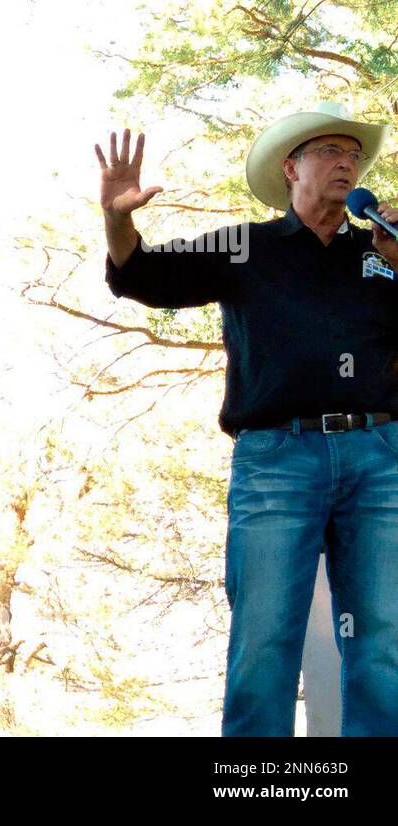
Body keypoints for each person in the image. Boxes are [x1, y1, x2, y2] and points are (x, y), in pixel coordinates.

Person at [95, 101, 398, 735]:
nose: (347, 162)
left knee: (386, 641)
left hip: (381, 456)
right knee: (264, 637)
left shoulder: (379, 249)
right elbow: (142, 275)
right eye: (330, 152)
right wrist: (116, 221)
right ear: (292, 168)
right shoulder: (245, 245)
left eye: (354, 155)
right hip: (277, 460)